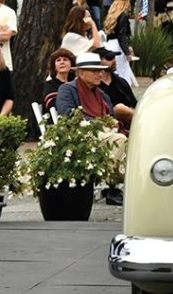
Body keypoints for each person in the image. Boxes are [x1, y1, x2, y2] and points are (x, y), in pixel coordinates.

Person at [55, 52, 128, 204]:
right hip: (80, 135)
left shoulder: (101, 93)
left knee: (130, 140)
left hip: (106, 133)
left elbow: (112, 115)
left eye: (101, 70)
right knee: (120, 140)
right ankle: (114, 187)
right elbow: (68, 115)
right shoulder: (67, 89)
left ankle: (116, 185)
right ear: (81, 72)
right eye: (95, 71)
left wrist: (113, 123)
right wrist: (98, 124)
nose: (100, 73)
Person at [95, 47, 137, 128]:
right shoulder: (93, 84)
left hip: (128, 121)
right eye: (109, 58)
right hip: (106, 121)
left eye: (114, 58)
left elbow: (134, 104)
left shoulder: (121, 82)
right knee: (119, 108)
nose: (114, 61)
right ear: (98, 62)